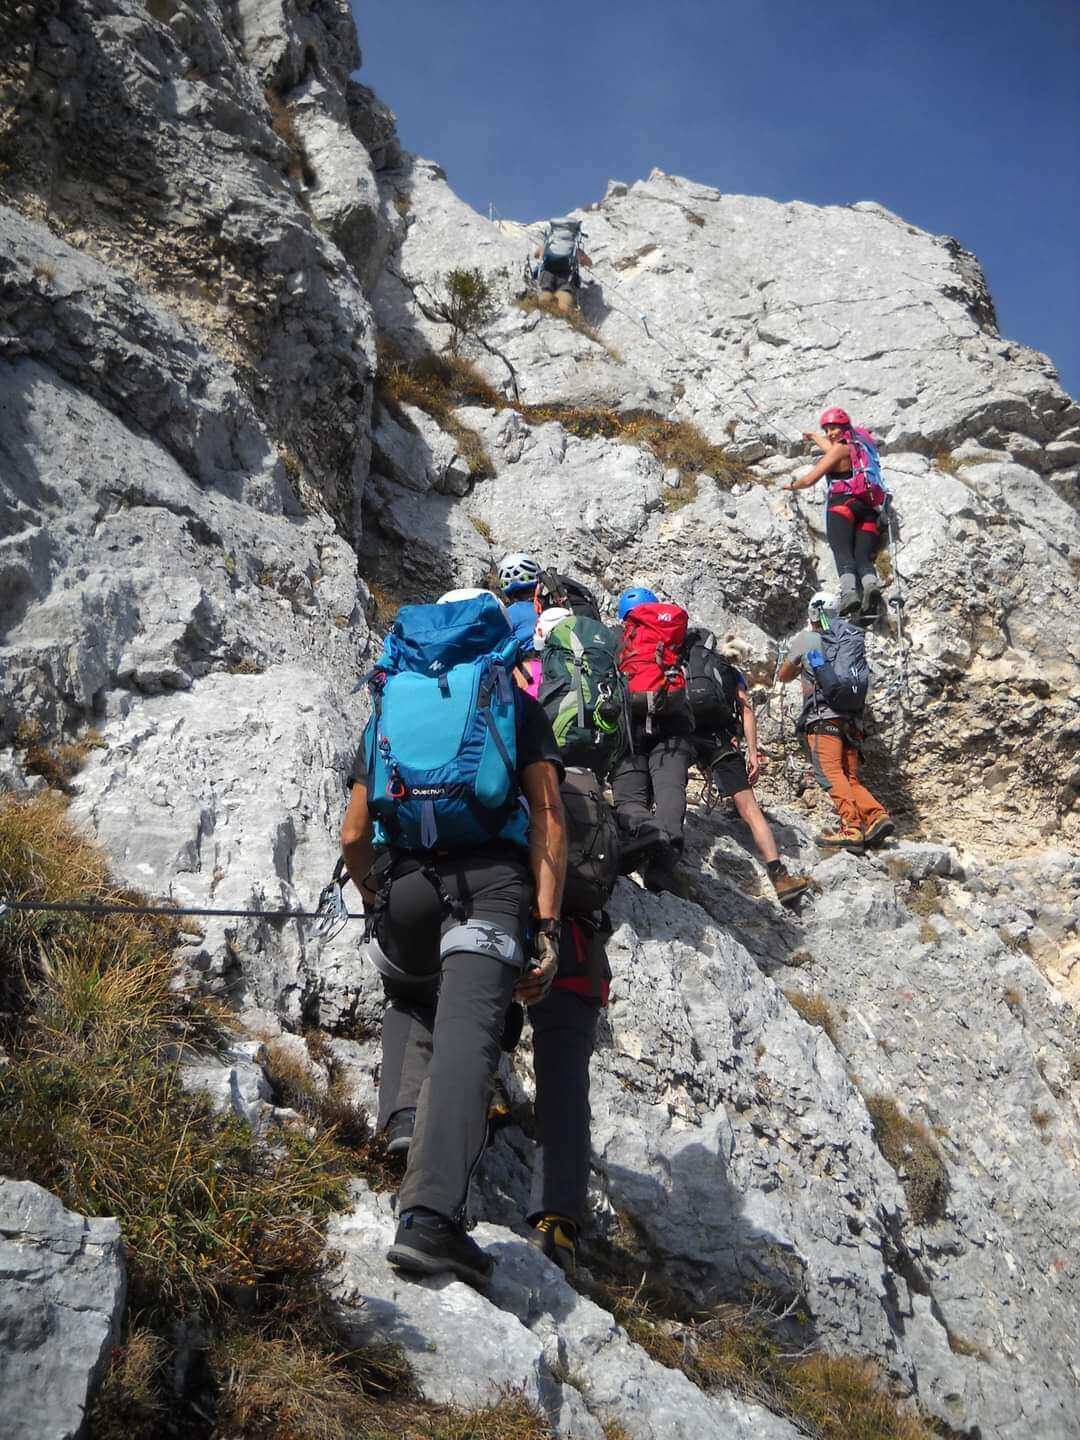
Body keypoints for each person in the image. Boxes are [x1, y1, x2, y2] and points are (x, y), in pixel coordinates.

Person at [340, 588, 567, 1286]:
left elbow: (353, 832)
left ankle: (406, 1117)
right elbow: (551, 820)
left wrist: (378, 894)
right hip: (490, 889)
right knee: (470, 1031)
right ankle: (431, 1221)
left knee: (411, 993)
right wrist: (548, 927)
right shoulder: (513, 703)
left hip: (405, 884)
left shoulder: (393, 700)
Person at [685, 629, 811, 906]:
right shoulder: (725, 668)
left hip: (683, 735)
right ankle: (779, 875)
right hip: (721, 739)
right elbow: (746, 710)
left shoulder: (679, 665)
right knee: (750, 810)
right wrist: (753, 753)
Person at [777, 592, 894, 851]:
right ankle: (876, 816)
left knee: (830, 773)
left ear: (812, 613)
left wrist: (800, 664)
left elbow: (784, 675)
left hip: (823, 719)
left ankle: (851, 828)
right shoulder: (848, 638)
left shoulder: (808, 639)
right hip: (852, 721)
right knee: (849, 777)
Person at [610, 585, 693, 892]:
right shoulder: (677, 638)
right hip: (673, 724)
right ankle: (665, 859)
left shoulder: (616, 638)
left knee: (629, 798)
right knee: (670, 787)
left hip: (629, 727)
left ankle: (648, 832)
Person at [780, 407, 885, 617]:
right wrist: (815, 437)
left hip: (842, 506)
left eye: (833, 428)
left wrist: (792, 486)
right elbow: (834, 450)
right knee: (863, 556)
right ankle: (871, 587)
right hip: (868, 509)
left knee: (842, 552)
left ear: (843, 427)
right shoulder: (859, 445)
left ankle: (849, 595)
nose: (830, 433)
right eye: (827, 429)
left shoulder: (839, 450)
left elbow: (810, 479)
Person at [532, 217, 592, 315]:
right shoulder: (573, 248)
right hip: (566, 277)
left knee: (545, 295)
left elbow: (536, 255)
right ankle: (565, 316)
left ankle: (542, 307)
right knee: (564, 303)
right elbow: (588, 263)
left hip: (547, 272)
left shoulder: (549, 244)